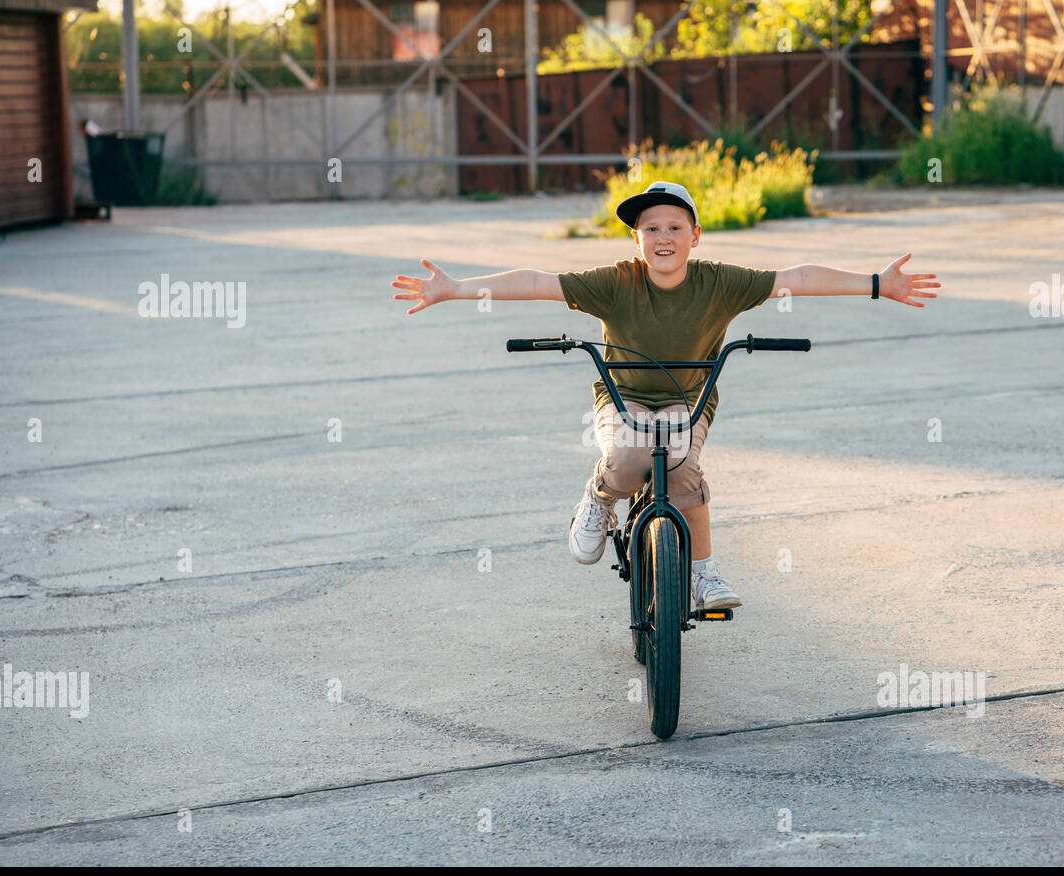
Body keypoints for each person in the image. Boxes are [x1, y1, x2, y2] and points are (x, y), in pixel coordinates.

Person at [392, 181, 940, 610]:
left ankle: (703, 574)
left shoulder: (720, 282)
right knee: (629, 461)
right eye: (649, 228)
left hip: (688, 398)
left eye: (674, 226)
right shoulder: (616, 282)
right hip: (623, 399)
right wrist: (457, 289)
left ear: (695, 235)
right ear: (637, 239)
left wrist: (876, 283)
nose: (663, 238)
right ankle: (601, 499)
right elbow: (537, 282)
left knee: (681, 474)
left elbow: (795, 277)